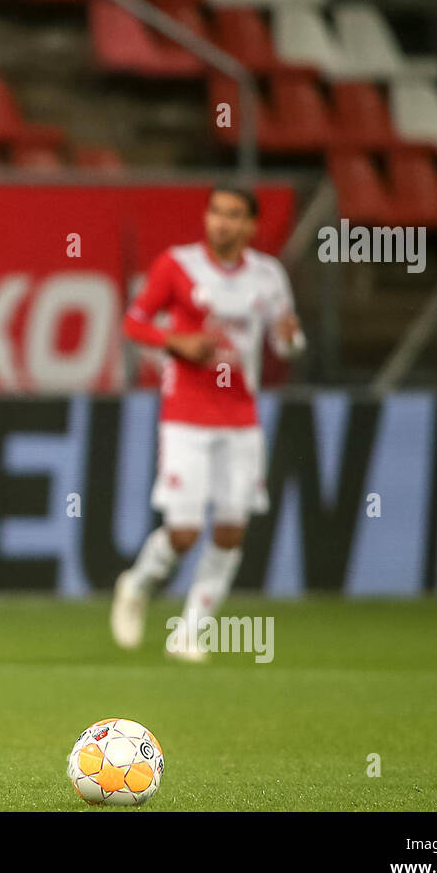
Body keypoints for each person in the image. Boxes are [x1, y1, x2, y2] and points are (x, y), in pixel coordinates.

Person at [111, 186, 304, 660]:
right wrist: (174, 341)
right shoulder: (177, 266)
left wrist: (292, 339)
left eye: (234, 215)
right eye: (216, 212)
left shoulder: (268, 276)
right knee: (184, 530)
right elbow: (134, 323)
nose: (223, 222)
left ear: (250, 226)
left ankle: (189, 632)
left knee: (232, 529)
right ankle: (136, 585)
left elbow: (286, 345)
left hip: (241, 416)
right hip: (186, 415)